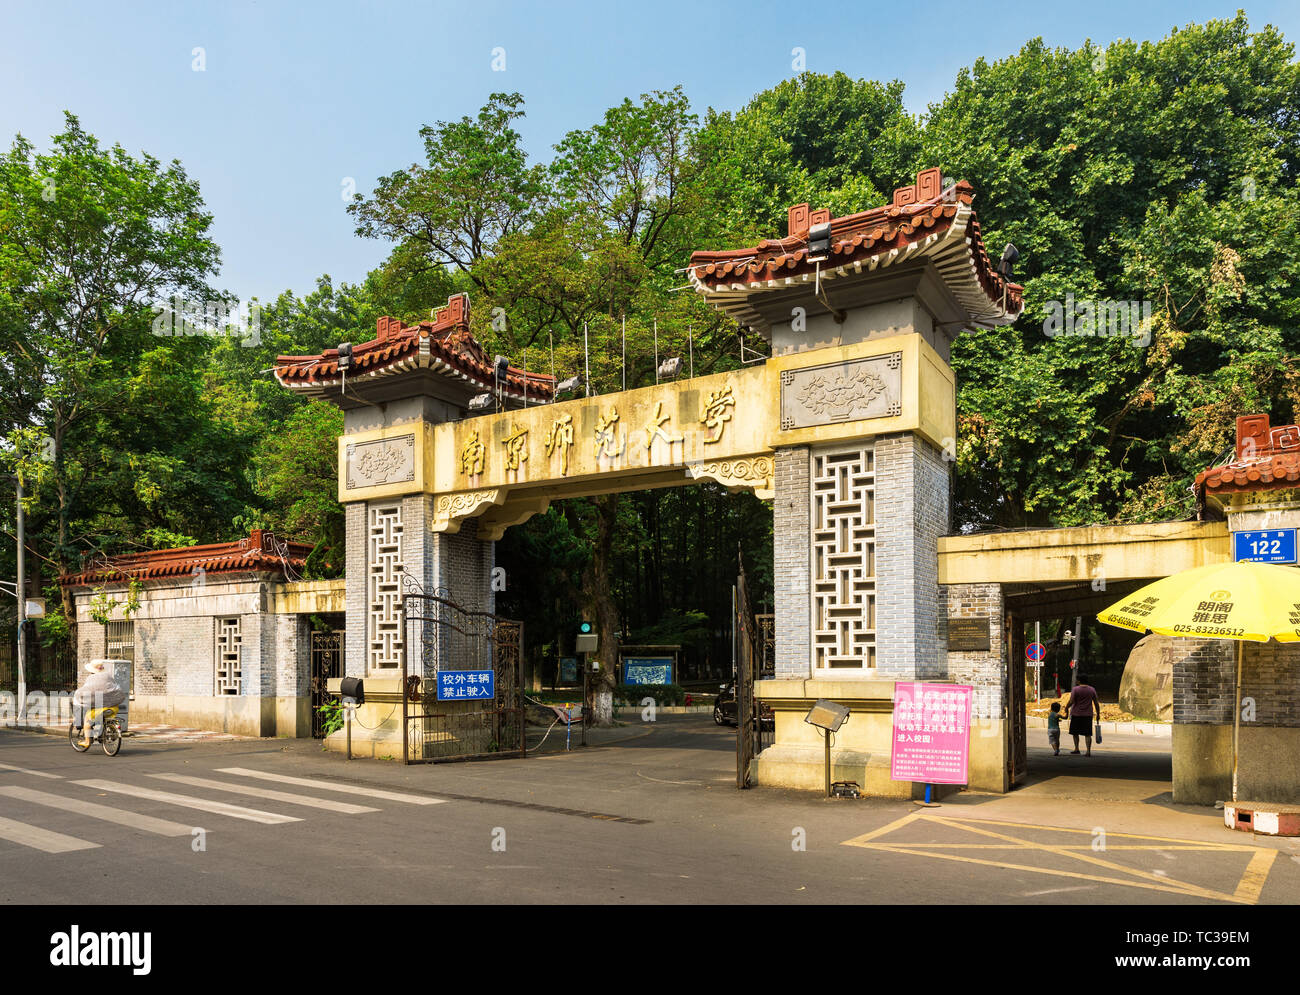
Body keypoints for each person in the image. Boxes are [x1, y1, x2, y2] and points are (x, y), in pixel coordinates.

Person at [73, 661, 126, 748]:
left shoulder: (90, 678)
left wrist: (79, 695)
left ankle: (87, 741)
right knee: (105, 718)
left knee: (87, 721)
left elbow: (87, 690)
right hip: (112, 708)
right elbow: (114, 686)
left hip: (98, 709)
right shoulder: (108, 676)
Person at [1062, 673, 1101, 756]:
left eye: (1077, 680)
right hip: (1088, 715)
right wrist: (1098, 714)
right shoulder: (1092, 689)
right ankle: (1088, 751)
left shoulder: (1075, 689)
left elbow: (1071, 701)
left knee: (1075, 732)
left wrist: (1066, 707)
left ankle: (1076, 748)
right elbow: (1096, 703)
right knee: (1088, 734)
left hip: (1076, 714)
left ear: (1079, 680)